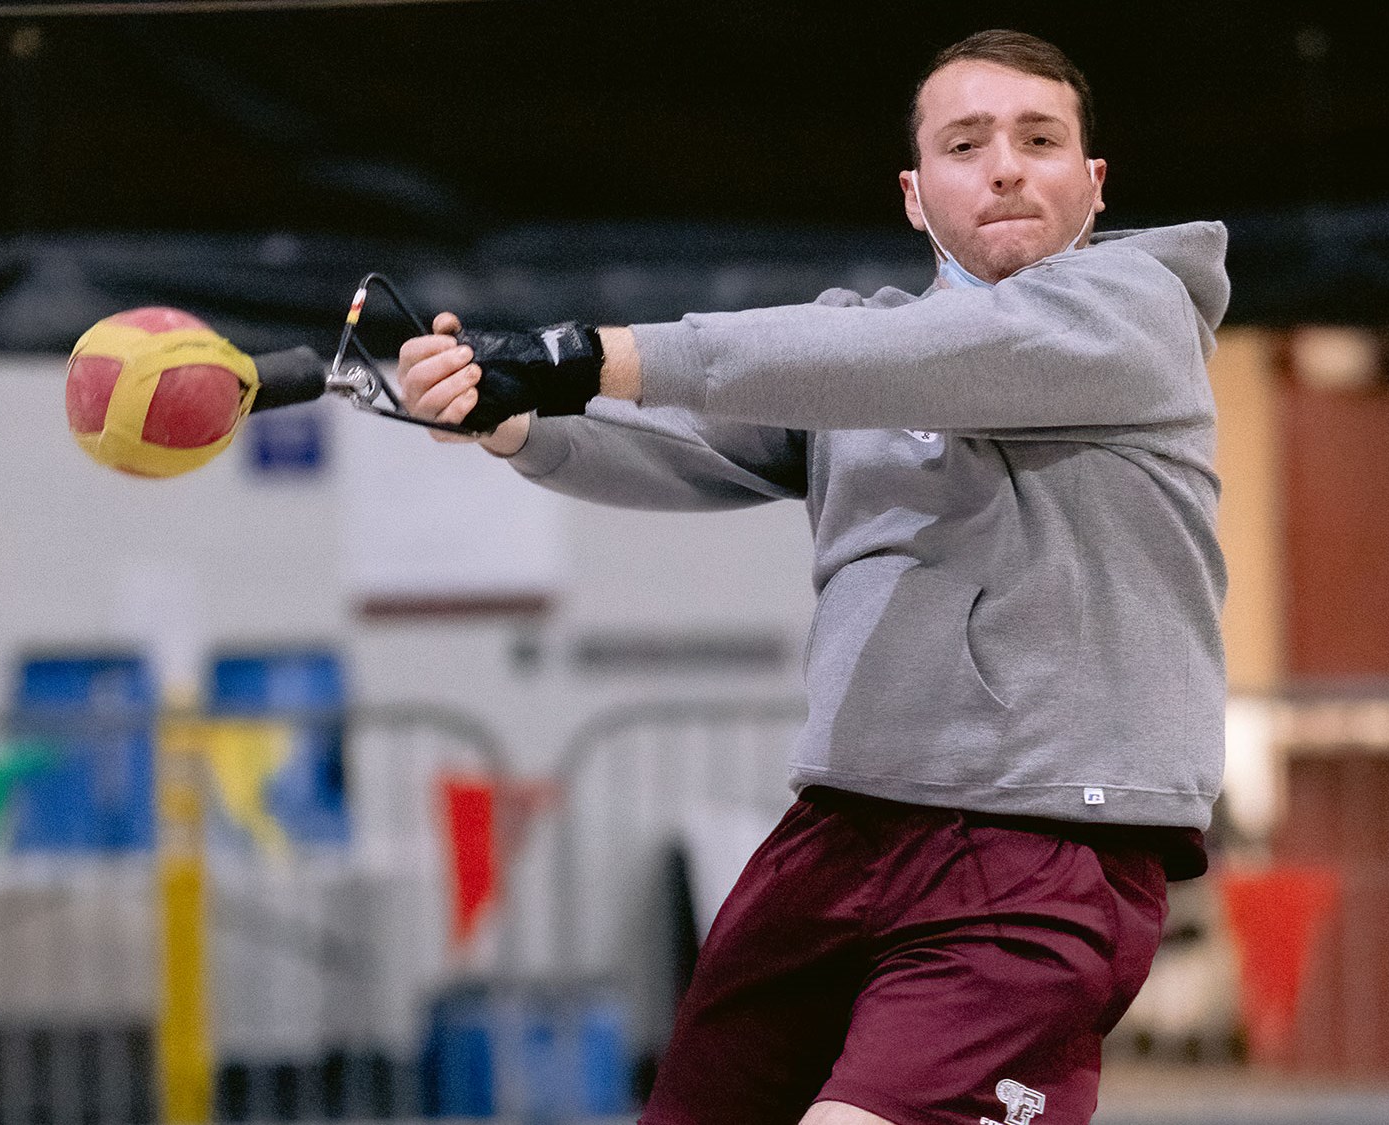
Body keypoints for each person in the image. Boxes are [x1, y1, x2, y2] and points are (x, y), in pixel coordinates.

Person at [398, 29, 1227, 1125]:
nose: (1006, 165)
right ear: (914, 195)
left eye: (1039, 139)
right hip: (839, 834)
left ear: (1092, 181)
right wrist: (508, 421)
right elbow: (694, 443)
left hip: (1038, 847)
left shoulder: (1133, 309)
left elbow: (911, 364)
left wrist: (586, 355)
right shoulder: (860, 350)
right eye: (964, 144)